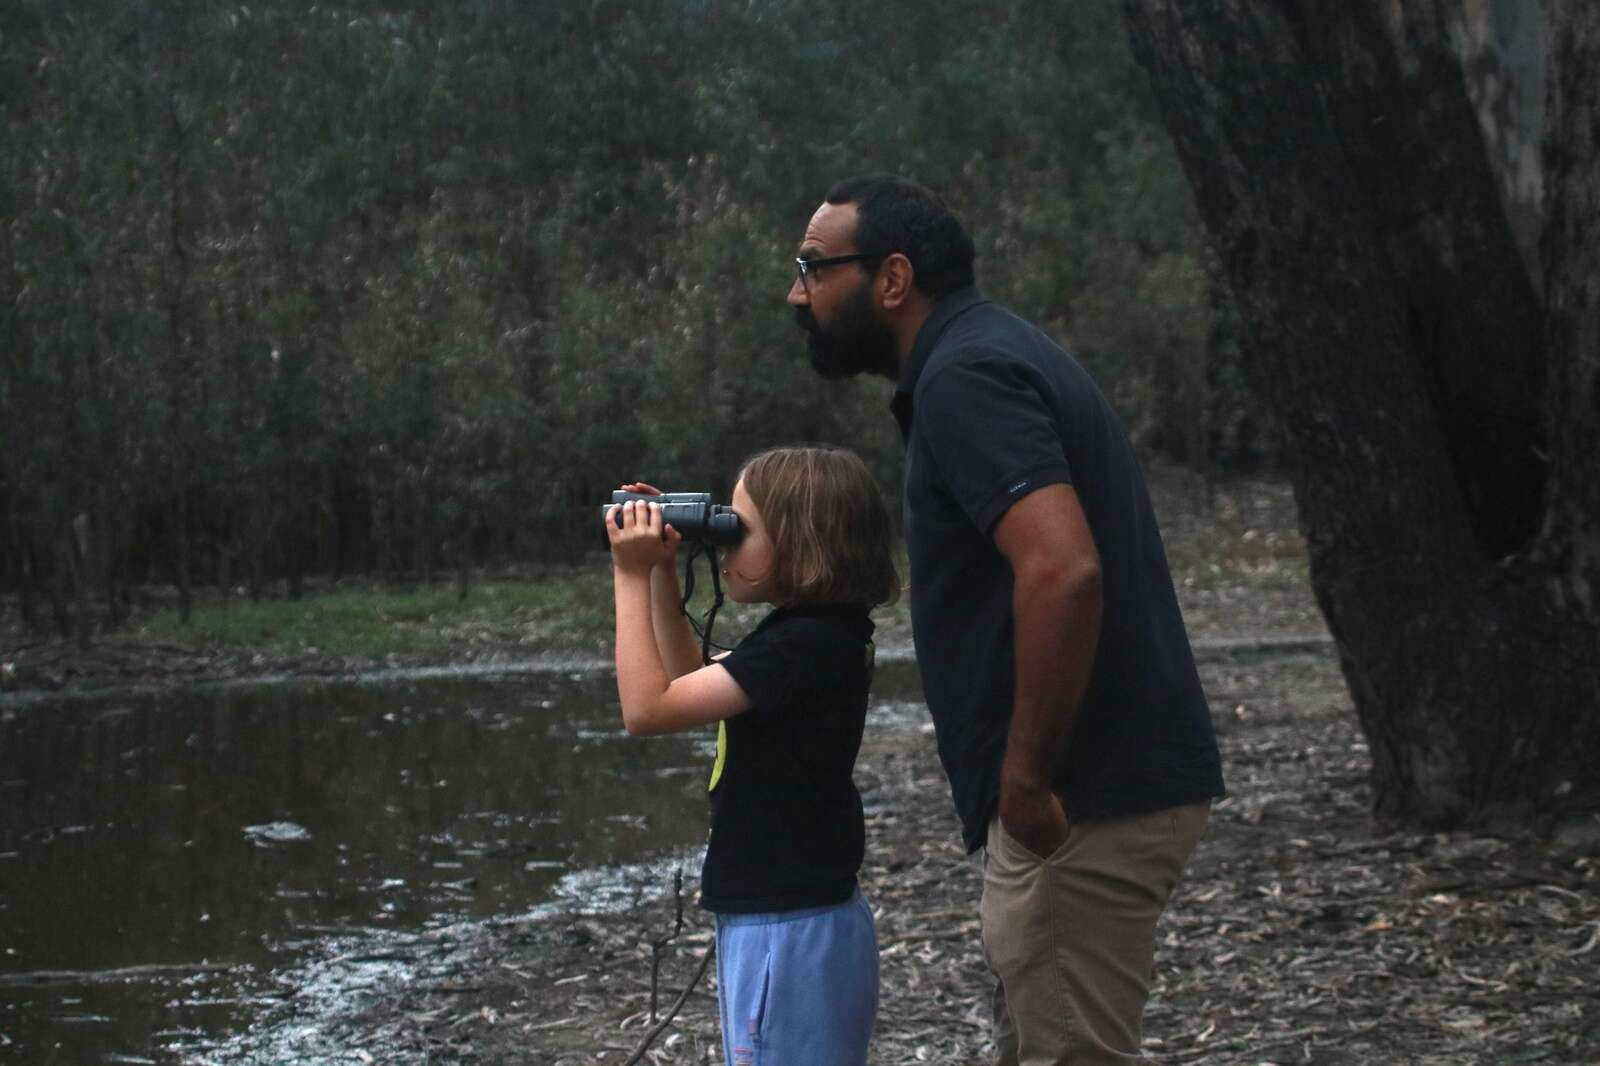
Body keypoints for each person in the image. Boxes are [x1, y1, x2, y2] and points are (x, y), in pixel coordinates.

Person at [787, 174, 1225, 1065]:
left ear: (893, 279)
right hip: (1099, 787)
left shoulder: (968, 377)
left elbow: (1064, 573)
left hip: (1082, 798)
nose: (797, 292)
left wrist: (1024, 782)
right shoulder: (986, 356)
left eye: (812, 267)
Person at [605, 445, 899, 1066]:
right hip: (797, 918)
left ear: (801, 545)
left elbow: (646, 709)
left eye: (739, 529)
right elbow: (688, 685)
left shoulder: (802, 648)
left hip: (789, 929)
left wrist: (628, 577)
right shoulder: (821, 637)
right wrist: (661, 574)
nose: (725, 542)